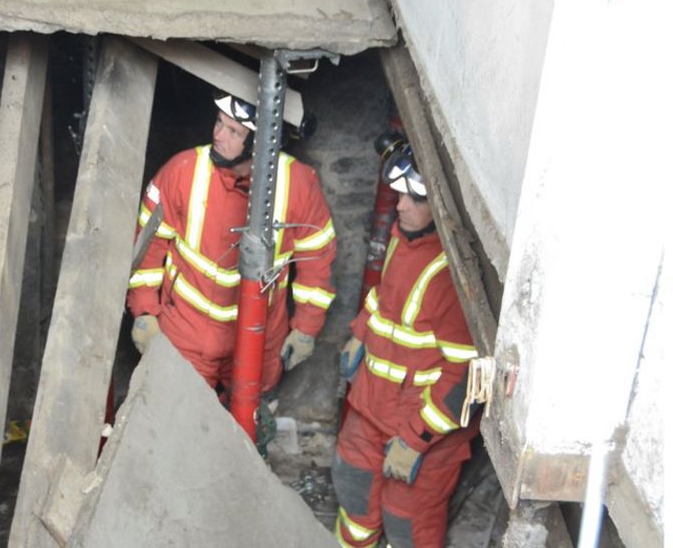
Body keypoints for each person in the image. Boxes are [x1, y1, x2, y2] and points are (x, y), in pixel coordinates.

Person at [127, 92, 337, 397]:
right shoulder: (182, 171)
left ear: (259, 143)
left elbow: (316, 261)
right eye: (219, 122)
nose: (218, 135)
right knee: (174, 411)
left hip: (258, 339)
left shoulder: (298, 184)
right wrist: (144, 311)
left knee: (250, 419)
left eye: (234, 131)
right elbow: (148, 248)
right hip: (185, 335)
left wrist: (306, 328)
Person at [332, 140, 480, 547]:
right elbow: (385, 297)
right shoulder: (404, 237)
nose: (400, 205)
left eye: (414, 199)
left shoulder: (452, 276)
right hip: (372, 407)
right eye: (399, 194)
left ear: (440, 207)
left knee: (406, 526)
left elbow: (464, 378)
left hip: (421, 431)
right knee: (354, 493)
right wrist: (360, 333)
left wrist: (416, 439)